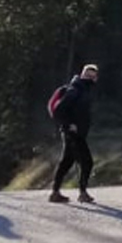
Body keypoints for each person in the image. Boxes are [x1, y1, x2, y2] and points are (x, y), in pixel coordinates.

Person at [48, 64, 99, 204]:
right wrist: (69, 124)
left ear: (96, 78)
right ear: (82, 75)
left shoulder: (84, 89)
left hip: (76, 133)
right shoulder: (75, 90)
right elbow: (59, 111)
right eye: (87, 75)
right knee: (87, 162)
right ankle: (83, 193)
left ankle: (55, 192)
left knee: (67, 162)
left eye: (92, 76)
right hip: (72, 133)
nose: (90, 78)